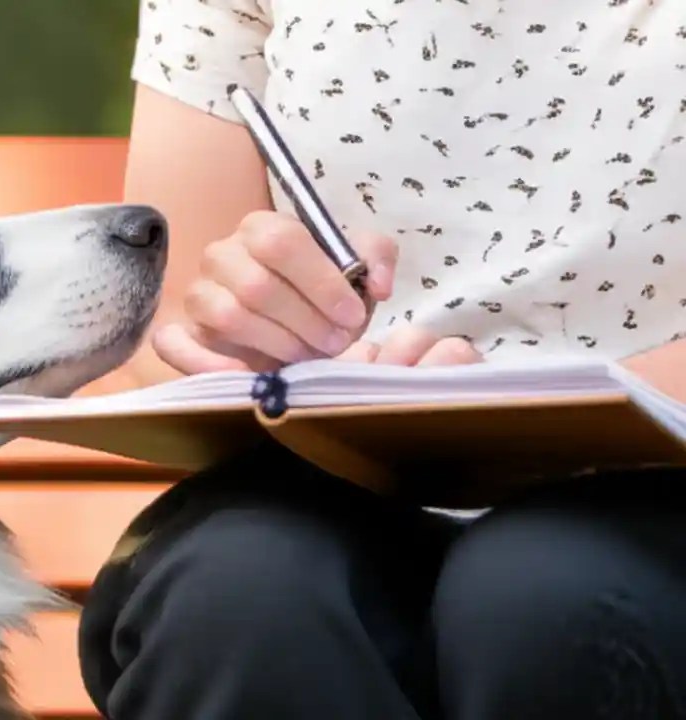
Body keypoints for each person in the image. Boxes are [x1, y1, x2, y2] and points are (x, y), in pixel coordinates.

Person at [78, 1, 686, 718]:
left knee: (544, 600)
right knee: (234, 596)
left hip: (656, 479)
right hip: (330, 476)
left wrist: (510, 411)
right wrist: (251, 330)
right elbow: (175, 321)